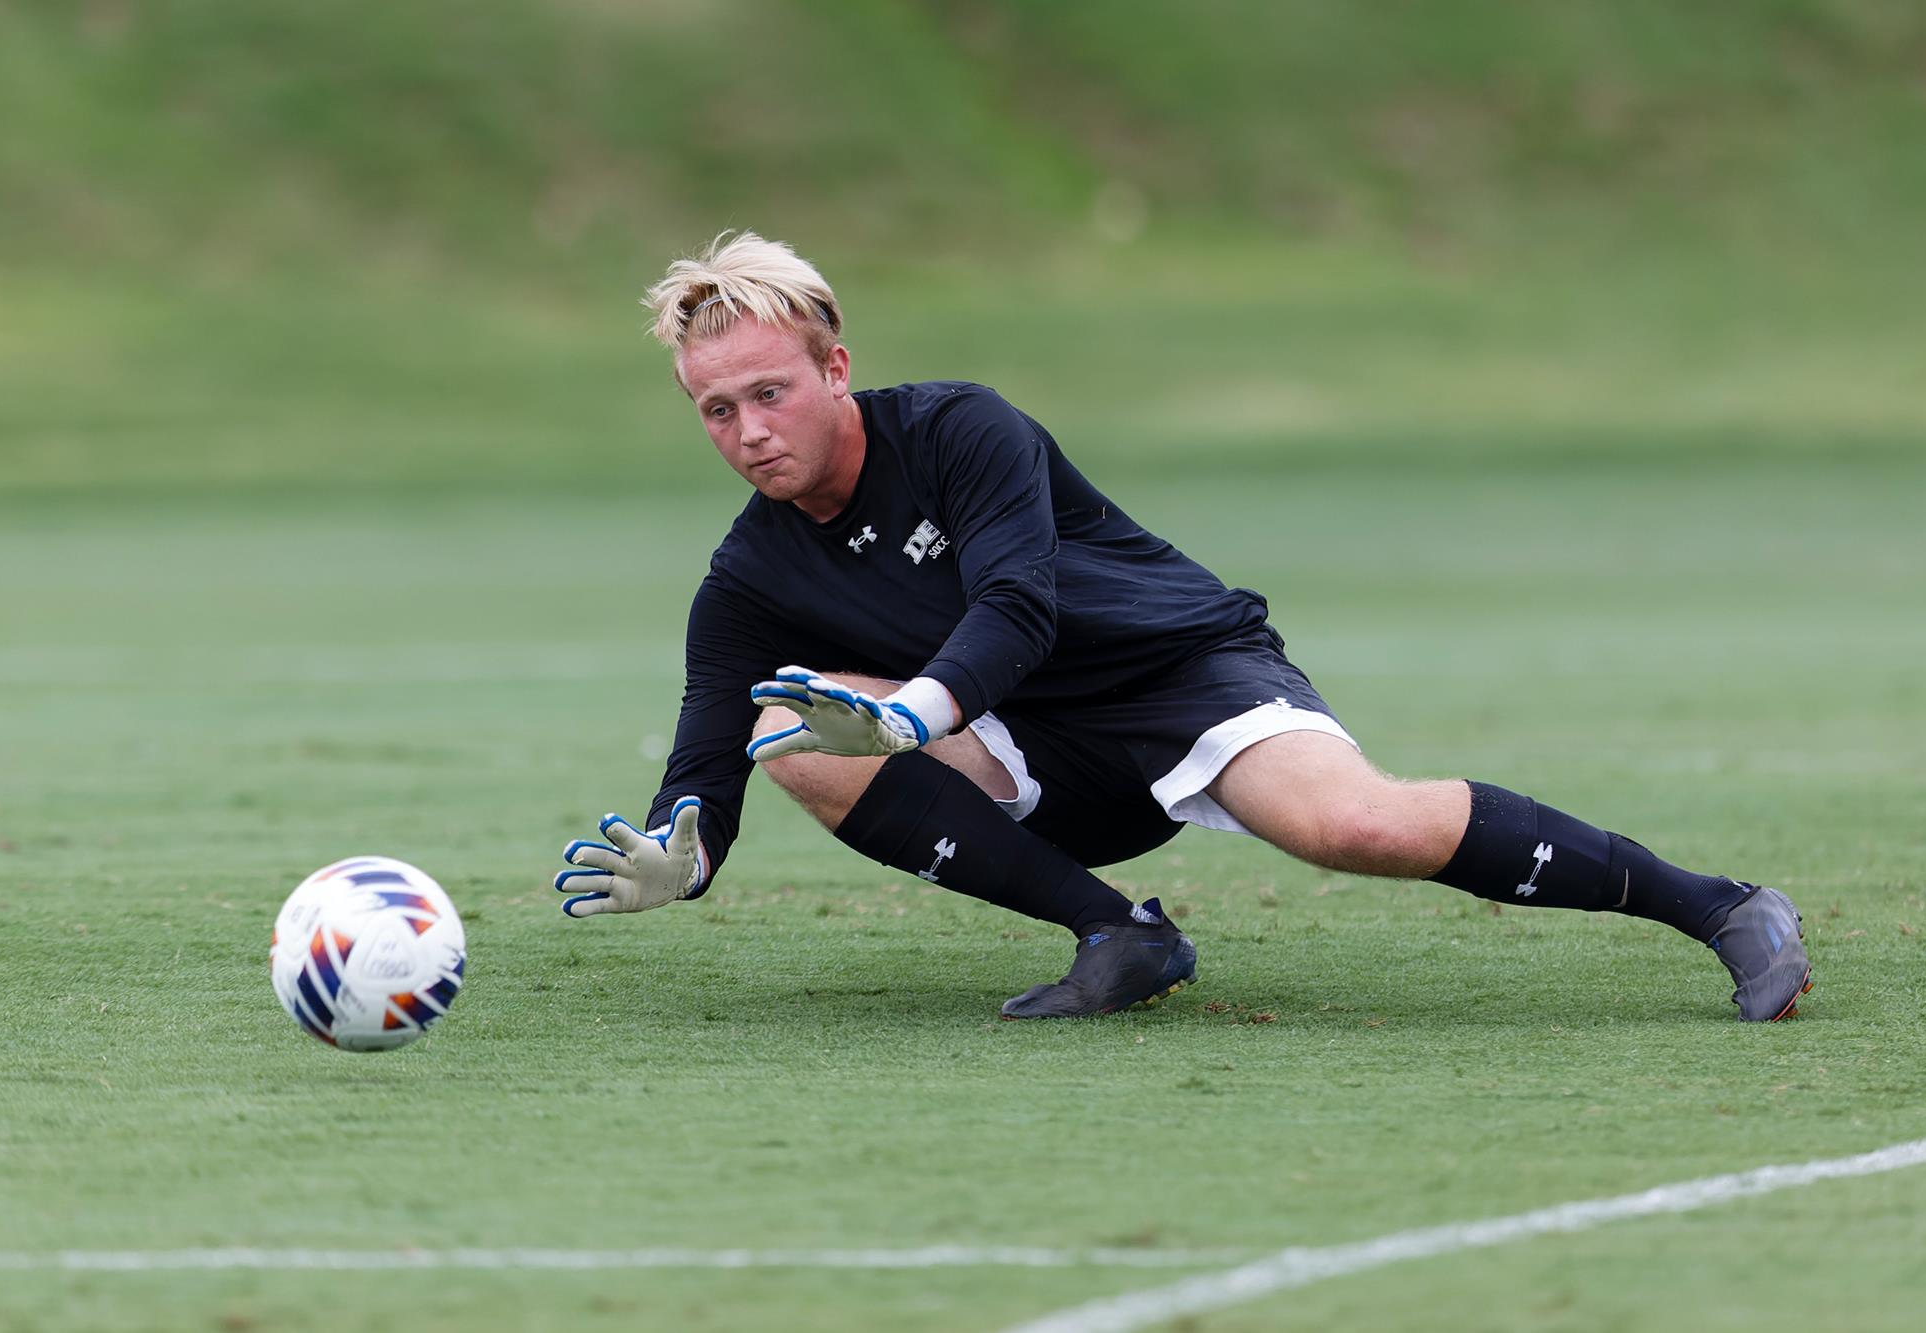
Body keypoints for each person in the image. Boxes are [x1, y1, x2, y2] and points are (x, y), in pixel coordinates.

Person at [552, 231, 1813, 1022]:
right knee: (789, 725)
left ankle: (1718, 906)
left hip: (1176, 678)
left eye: (768, 392)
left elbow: (1016, 607)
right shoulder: (747, 576)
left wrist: (906, 714)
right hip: (1027, 752)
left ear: (834, 368)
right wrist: (690, 850)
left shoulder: (957, 429)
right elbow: (706, 748)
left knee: (1357, 825)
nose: (748, 431)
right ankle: (1117, 933)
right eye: (714, 411)